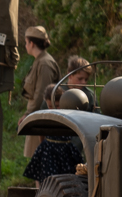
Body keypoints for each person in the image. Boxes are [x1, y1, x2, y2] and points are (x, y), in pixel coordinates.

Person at [23, 55, 94, 186]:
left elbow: (94, 120)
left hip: (75, 147)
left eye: (86, 79)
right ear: (70, 75)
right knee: (48, 180)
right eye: (80, 79)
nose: (83, 83)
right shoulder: (57, 92)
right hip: (53, 146)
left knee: (73, 181)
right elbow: (43, 118)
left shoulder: (88, 95)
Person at [19, 26, 58, 158]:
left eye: (26, 42)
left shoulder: (45, 63)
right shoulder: (40, 61)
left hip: (40, 118)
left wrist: (28, 114)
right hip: (36, 116)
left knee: (40, 163)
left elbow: (42, 93)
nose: (25, 45)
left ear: (31, 43)